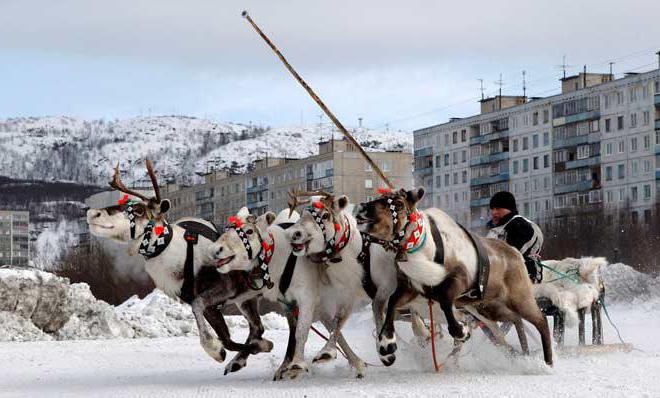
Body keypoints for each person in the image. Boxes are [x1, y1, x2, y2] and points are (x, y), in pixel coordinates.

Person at [486, 191, 544, 283]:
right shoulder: (494, 229)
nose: (494, 212)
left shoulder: (522, 226)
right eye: (492, 209)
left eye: (498, 208)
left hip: (524, 281)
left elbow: (512, 256)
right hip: (497, 281)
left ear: (509, 209)